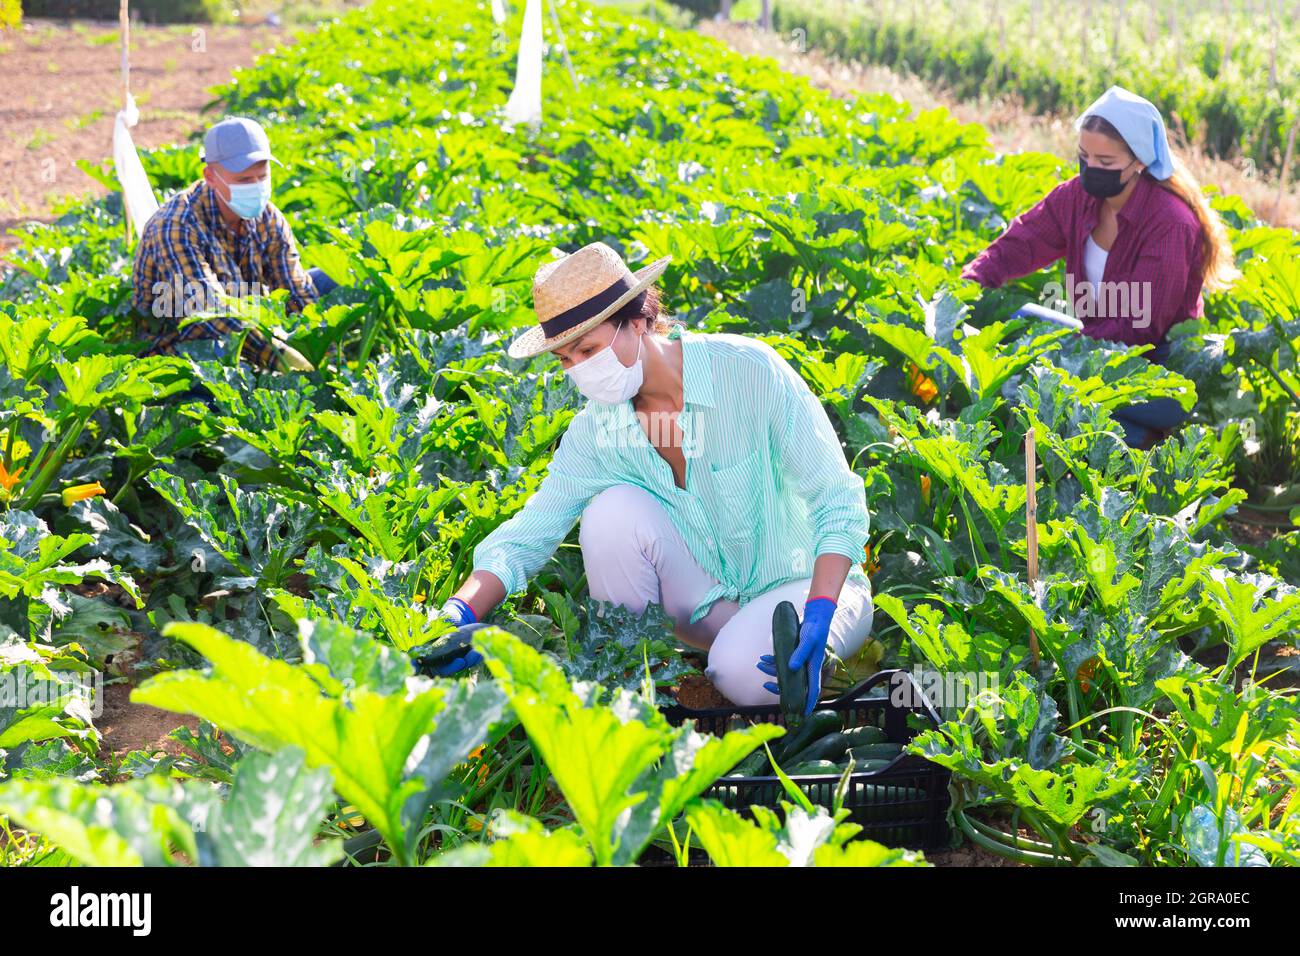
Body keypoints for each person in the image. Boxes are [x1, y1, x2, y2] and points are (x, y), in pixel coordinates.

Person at [426, 242, 875, 711]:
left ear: (638, 321)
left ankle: (804, 670)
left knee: (742, 673)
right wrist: (459, 611)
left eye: (588, 349)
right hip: (713, 615)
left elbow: (836, 499)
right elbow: (529, 533)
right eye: (564, 359)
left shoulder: (749, 371)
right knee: (610, 514)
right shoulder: (597, 431)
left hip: (810, 590)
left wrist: (821, 607)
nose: (580, 370)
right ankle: (639, 689)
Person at [960, 85, 1239, 447]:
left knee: (1049, 392)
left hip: (1158, 374)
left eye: (1105, 163)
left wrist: (1060, 357)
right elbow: (1023, 240)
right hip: (1095, 349)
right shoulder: (1078, 196)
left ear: (1138, 160)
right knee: (1014, 320)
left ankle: (1137, 438)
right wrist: (971, 282)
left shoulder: (1170, 223)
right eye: (1084, 156)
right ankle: (1135, 436)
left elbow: (1141, 326)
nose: (1091, 168)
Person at [131, 116, 337, 372]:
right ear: (211, 177)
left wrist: (321, 350)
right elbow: (212, 314)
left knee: (333, 279)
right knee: (219, 359)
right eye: (244, 180)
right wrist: (287, 358)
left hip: (249, 314)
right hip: (182, 339)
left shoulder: (269, 218)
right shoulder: (176, 226)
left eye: (262, 177)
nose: (256, 187)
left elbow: (295, 289)